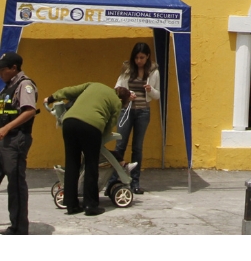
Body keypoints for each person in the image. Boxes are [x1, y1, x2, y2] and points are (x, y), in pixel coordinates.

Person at [45, 82, 131, 216]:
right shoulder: (116, 102)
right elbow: (110, 125)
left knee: (72, 163)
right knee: (91, 165)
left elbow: (69, 90)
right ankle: (91, 206)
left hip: (69, 122)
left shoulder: (93, 85)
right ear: (122, 100)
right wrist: (101, 137)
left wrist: (51, 98)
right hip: (91, 127)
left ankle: (71, 205)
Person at [109, 42, 158, 195]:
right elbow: (116, 88)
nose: (139, 61)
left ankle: (135, 182)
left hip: (143, 111)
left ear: (148, 57)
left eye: (142, 58)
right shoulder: (127, 69)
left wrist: (150, 90)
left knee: (137, 147)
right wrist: (126, 94)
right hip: (126, 110)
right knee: (120, 144)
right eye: (136, 57)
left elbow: (157, 95)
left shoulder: (154, 72)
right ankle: (114, 180)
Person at [0, 53, 37, 234]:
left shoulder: (24, 85)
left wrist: (7, 128)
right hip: (4, 140)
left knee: (15, 183)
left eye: (3, 69)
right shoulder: (9, 86)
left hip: (16, 139)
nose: (0, 73)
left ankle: (19, 228)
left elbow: (29, 111)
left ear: (14, 68)